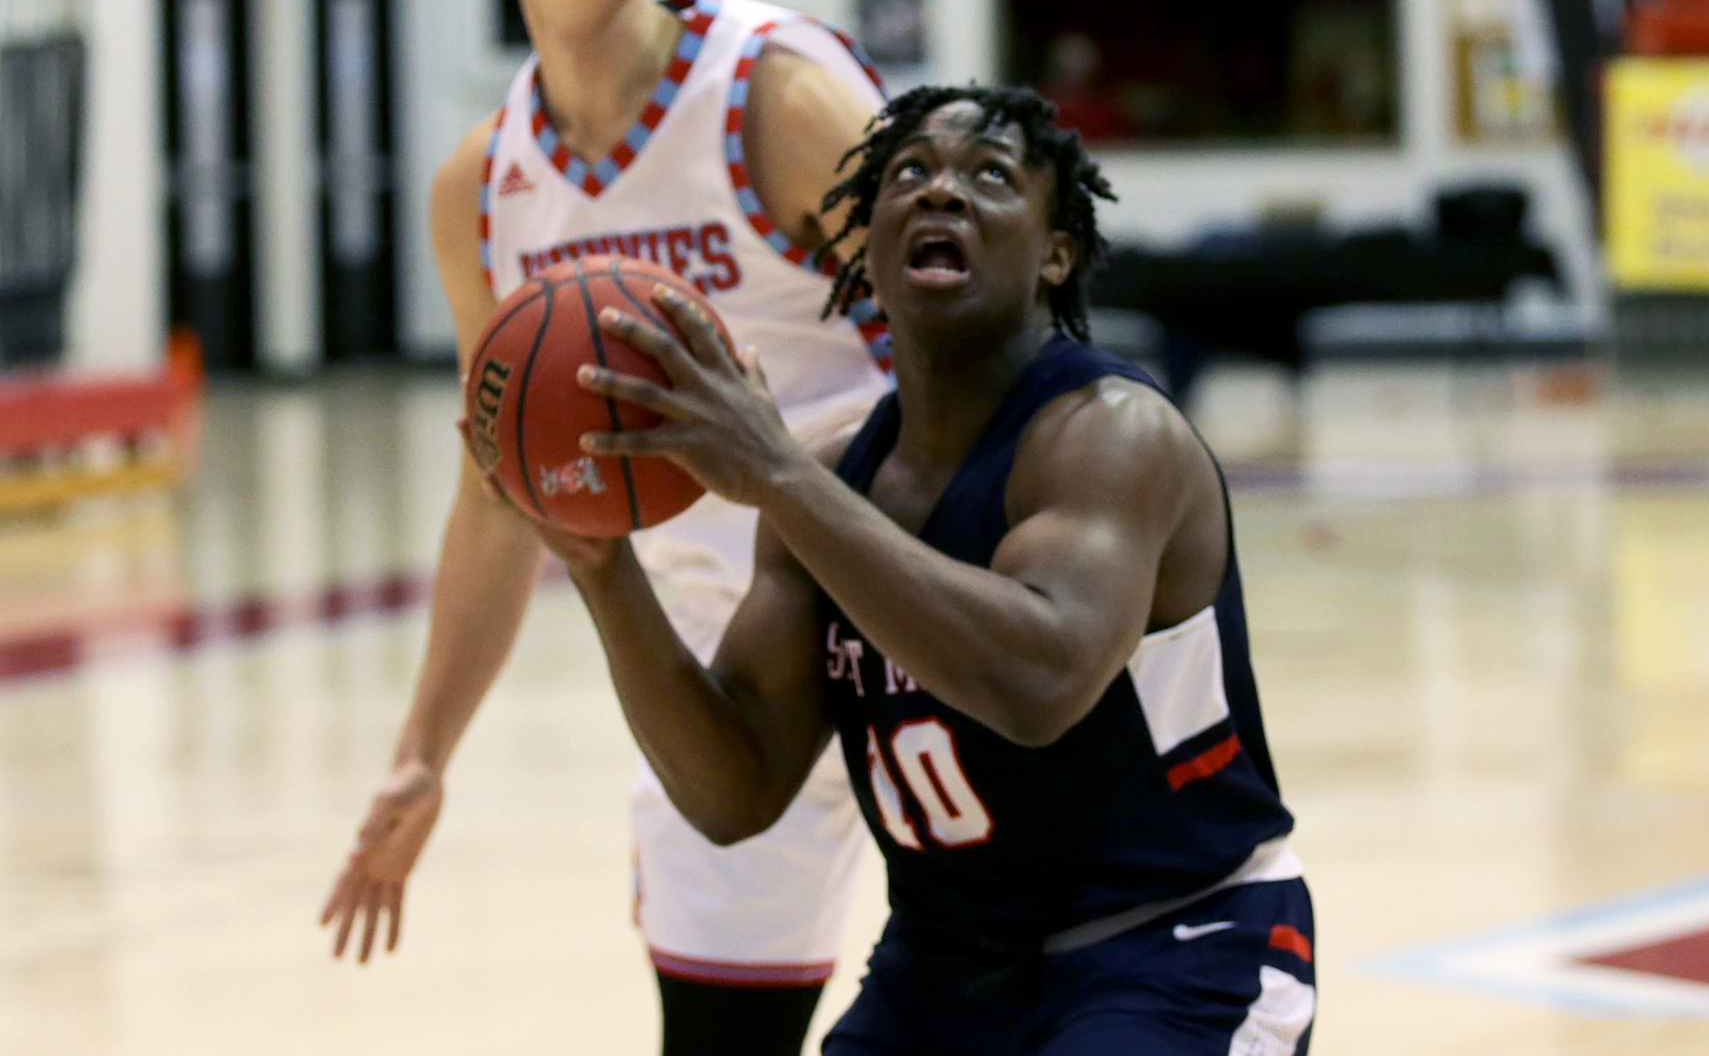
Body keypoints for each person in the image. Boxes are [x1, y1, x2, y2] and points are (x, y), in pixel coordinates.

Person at [516, 85, 1316, 1054]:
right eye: (910, 174)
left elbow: (1039, 682)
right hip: (942, 975)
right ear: (865, 245)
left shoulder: (1112, 435)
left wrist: (777, 478)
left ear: (1055, 253)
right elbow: (734, 792)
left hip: (1174, 949)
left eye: (989, 176)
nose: (942, 192)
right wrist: (604, 568)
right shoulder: (826, 479)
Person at [317, 0, 894, 1054]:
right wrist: (424, 751)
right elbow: (495, 500)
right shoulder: (483, 188)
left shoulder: (778, 101)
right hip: (731, 676)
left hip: (914, 623)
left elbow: (982, 365)